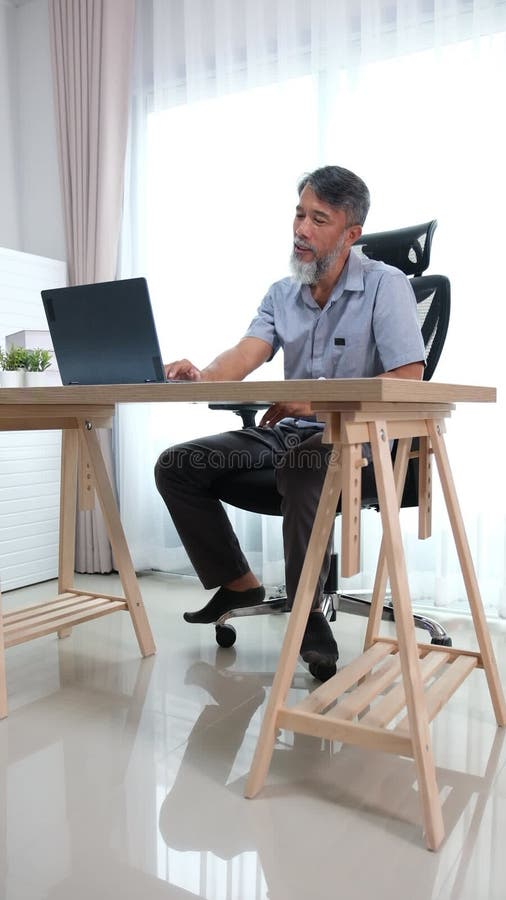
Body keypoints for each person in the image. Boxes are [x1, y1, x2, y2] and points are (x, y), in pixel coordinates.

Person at [155, 165, 425, 681]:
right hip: (289, 435)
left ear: (350, 235)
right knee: (179, 465)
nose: (301, 229)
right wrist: (202, 376)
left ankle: (308, 623)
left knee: (306, 463)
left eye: (318, 219)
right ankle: (238, 582)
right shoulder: (283, 293)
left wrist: (319, 404)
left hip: (363, 443)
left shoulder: (385, 287)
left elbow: (407, 379)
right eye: (299, 214)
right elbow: (245, 355)